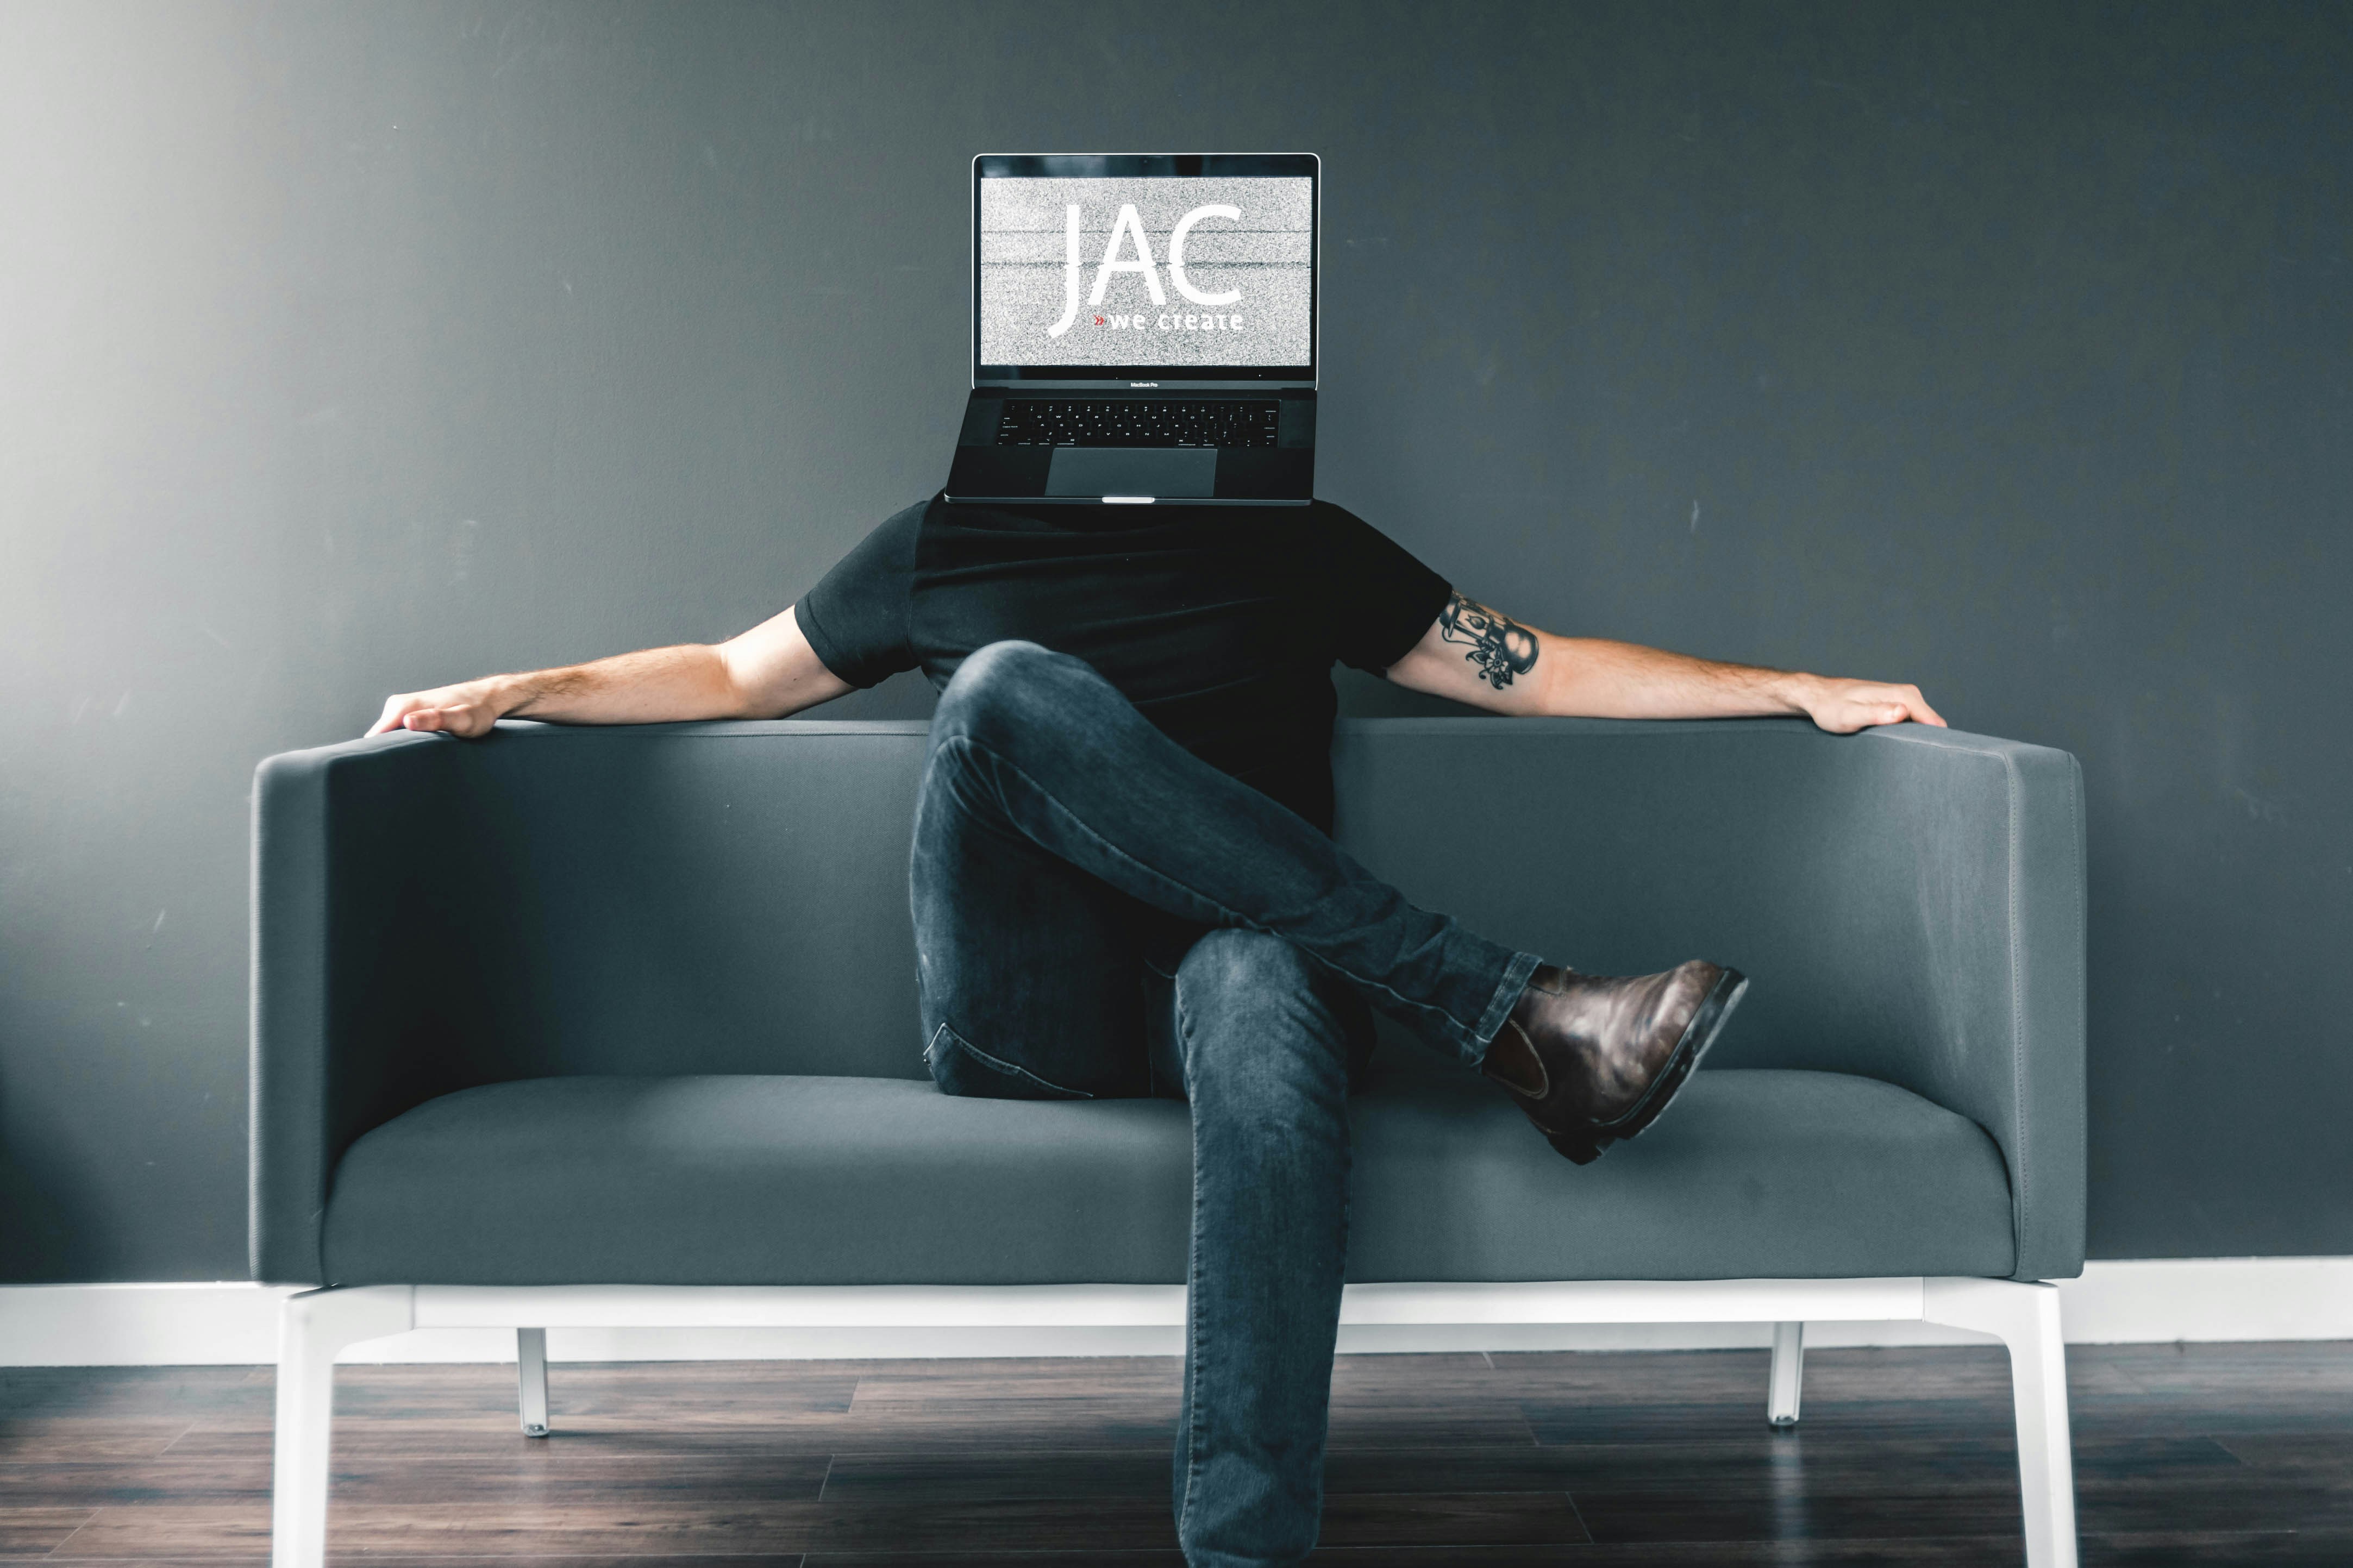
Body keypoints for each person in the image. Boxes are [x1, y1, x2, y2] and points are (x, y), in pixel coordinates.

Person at [367, 495, 1945, 1568]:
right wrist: (530, 683)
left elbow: (1529, 673)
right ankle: (1511, 1013)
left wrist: (1788, 684)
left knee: (1259, 976)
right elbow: (727, 671)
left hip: (1253, 976)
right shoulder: (949, 538)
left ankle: (1244, 1555)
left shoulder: (1298, 543)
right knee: (1000, 690)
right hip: (1023, 1016)